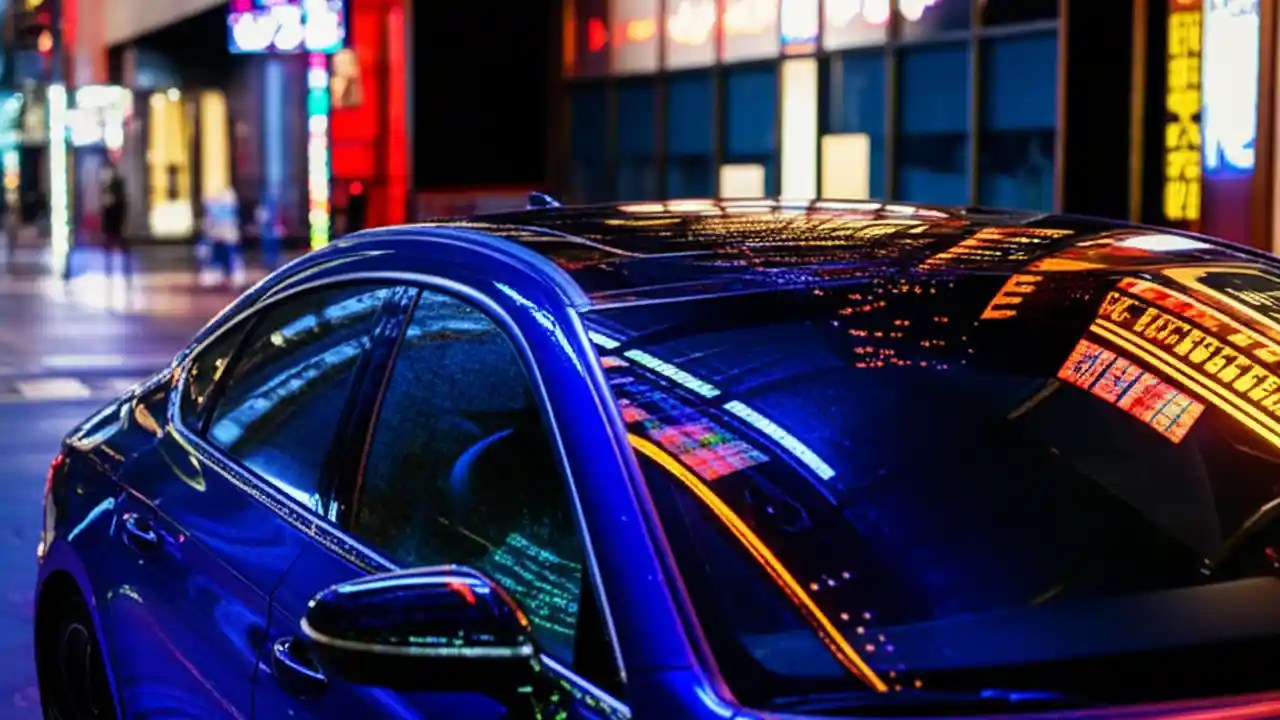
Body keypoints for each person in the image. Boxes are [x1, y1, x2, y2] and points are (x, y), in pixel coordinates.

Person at [101, 165, 130, 278]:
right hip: (115, 224)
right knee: (116, 242)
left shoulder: (113, 200)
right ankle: (118, 265)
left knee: (115, 242)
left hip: (115, 223)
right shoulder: (116, 200)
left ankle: (116, 265)